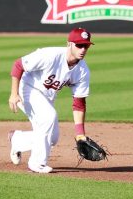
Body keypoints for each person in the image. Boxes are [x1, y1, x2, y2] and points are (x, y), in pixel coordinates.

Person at [7, 28, 94, 173]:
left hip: (46, 97)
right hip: (27, 89)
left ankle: (18, 139)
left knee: (52, 139)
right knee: (49, 117)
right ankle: (37, 163)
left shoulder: (82, 71)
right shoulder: (50, 55)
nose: (83, 49)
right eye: (79, 45)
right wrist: (14, 93)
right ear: (69, 44)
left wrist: (80, 133)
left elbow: (79, 104)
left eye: (86, 46)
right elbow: (18, 65)